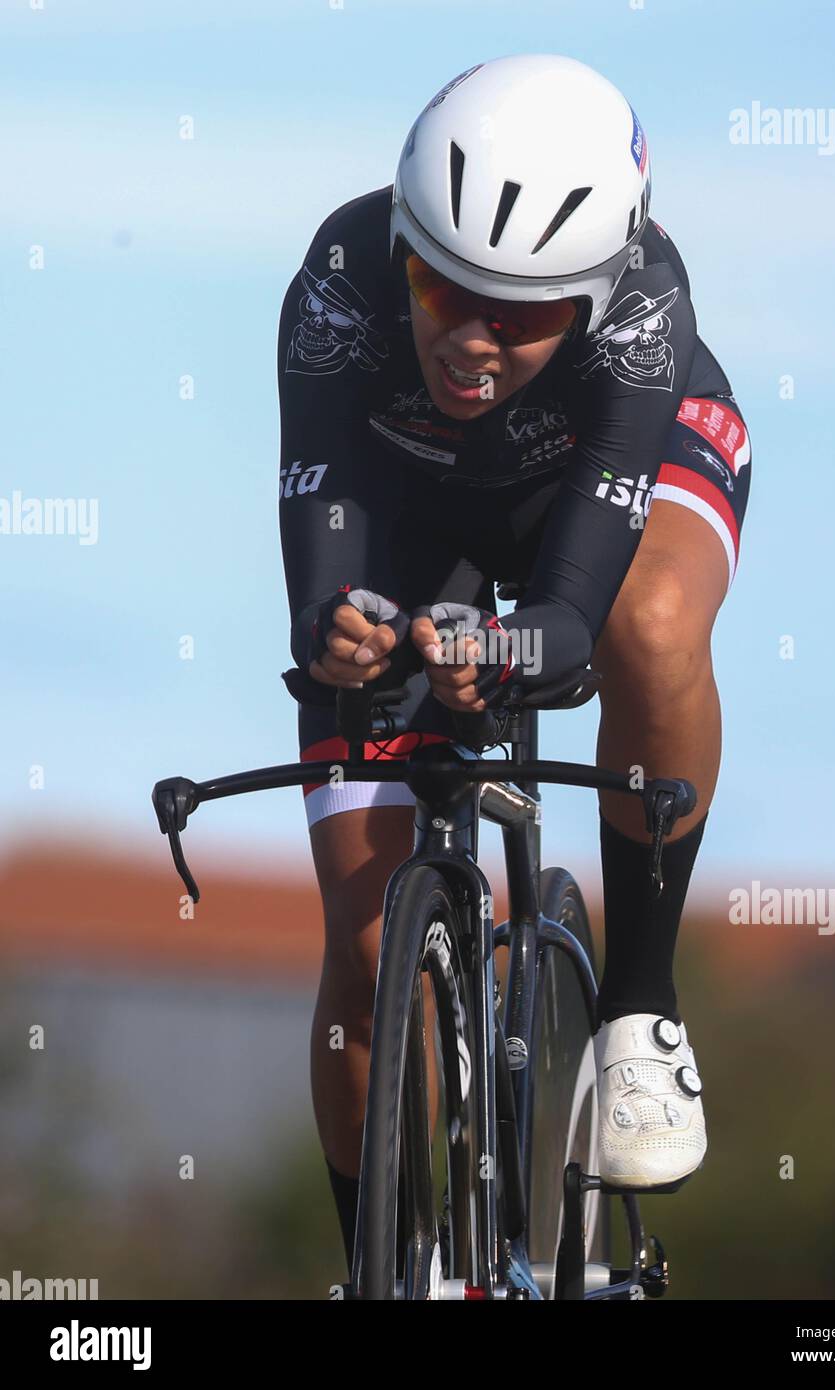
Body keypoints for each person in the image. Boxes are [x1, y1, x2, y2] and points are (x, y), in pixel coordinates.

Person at [277, 53, 752, 1275]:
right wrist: (345, 627)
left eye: (528, 314)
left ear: (591, 299)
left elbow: (572, 613)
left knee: (644, 631)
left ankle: (641, 1010)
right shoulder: (338, 280)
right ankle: (384, 1263)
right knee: (366, 940)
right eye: (441, 291)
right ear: (402, 247)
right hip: (414, 507)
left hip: (597, 497)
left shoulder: (649, 304)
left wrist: (508, 648)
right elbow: (323, 544)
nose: (474, 343)